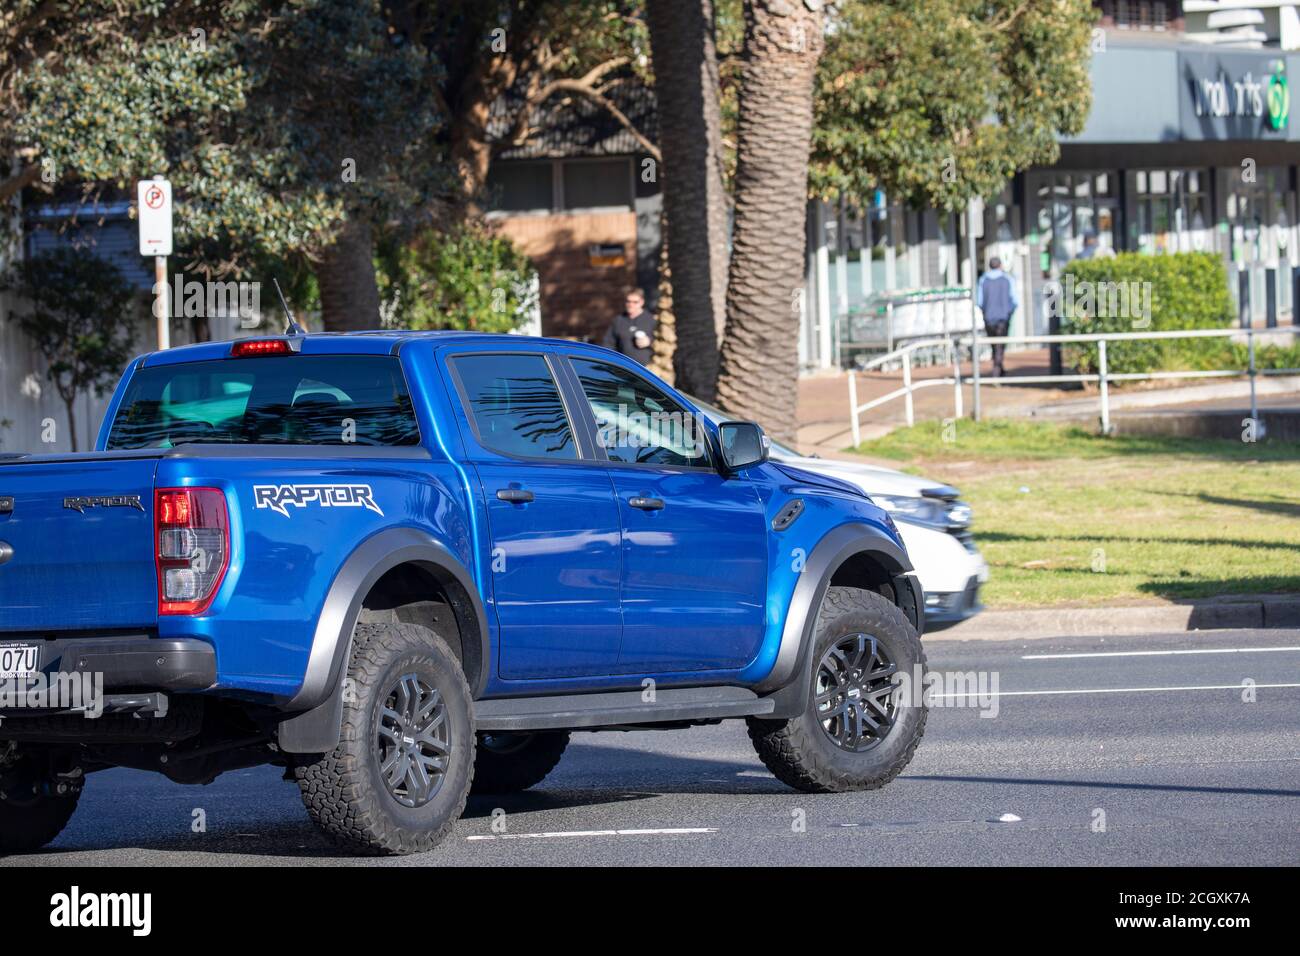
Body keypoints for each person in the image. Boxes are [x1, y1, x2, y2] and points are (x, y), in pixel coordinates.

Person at [976, 257, 1019, 377]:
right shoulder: (1007, 279)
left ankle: (999, 368)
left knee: (994, 344)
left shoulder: (983, 280)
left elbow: (979, 301)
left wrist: (986, 312)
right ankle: (997, 370)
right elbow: (1015, 301)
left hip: (988, 317)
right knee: (1000, 344)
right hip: (1003, 318)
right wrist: (1008, 312)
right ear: (1000, 265)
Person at [601, 287, 656, 366]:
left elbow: (662, 343)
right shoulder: (618, 320)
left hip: (647, 370)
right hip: (624, 369)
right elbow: (608, 344)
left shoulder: (651, 320)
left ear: (642, 302)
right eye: (628, 301)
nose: (631, 305)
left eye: (635, 302)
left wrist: (649, 341)